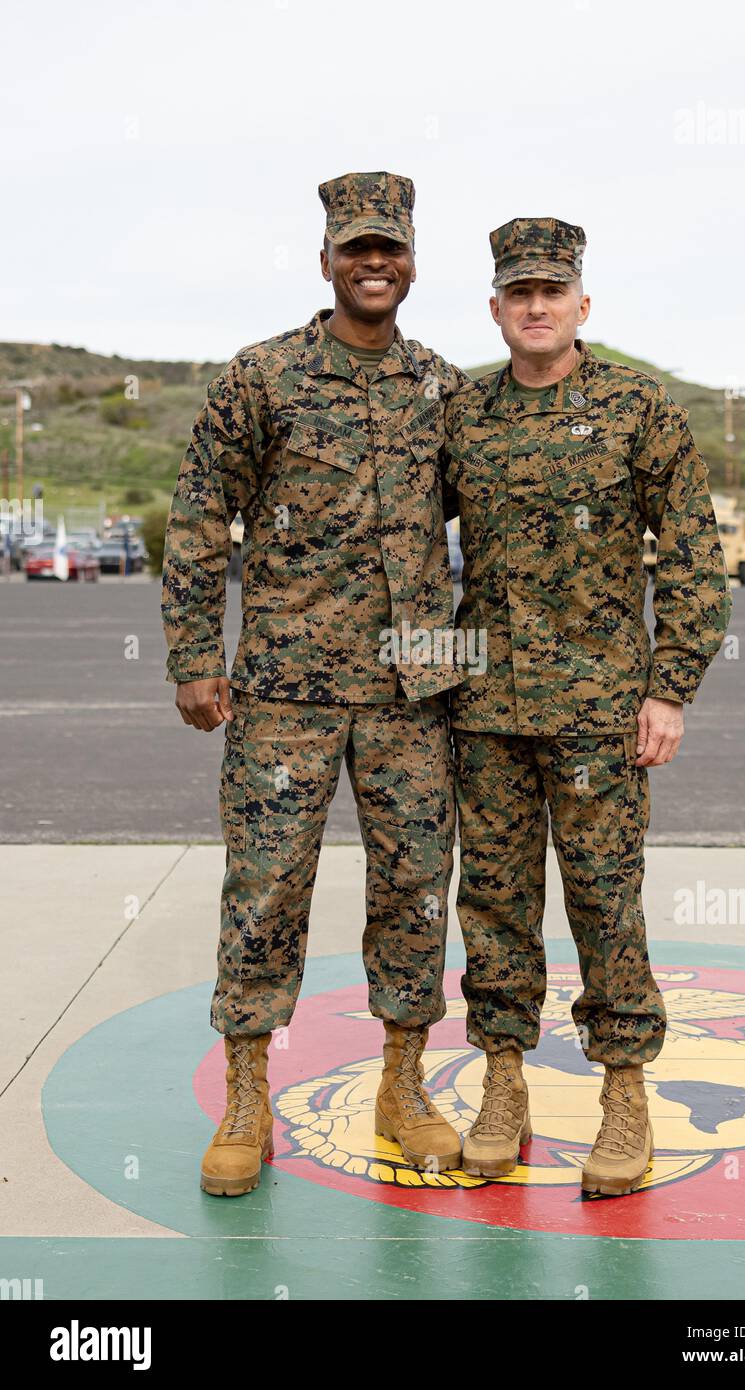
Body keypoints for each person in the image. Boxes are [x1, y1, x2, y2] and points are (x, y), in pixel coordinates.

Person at [162, 172, 469, 1196]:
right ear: (327, 260)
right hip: (285, 688)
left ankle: (403, 1085)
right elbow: (202, 517)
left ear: (413, 261)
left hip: (413, 695)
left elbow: (496, 524)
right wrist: (195, 656)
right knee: (266, 886)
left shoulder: (442, 385)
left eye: (390, 249)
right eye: (356, 250)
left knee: (417, 888)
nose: (373, 265)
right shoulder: (265, 376)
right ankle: (249, 1099)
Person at [443, 216, 732, 1193]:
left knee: (607, 903)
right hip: (483, 712)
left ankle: (624, 1092)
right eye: (518, 291)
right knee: (493, 906)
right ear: (495, 306)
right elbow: (397, 542)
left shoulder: (635, 407)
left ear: (581, 304)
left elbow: (693, 553)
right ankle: (504, 1080)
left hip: (601, 712)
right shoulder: (462, 414)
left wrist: (670, 688)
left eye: (551, 291)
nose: (534, 305)